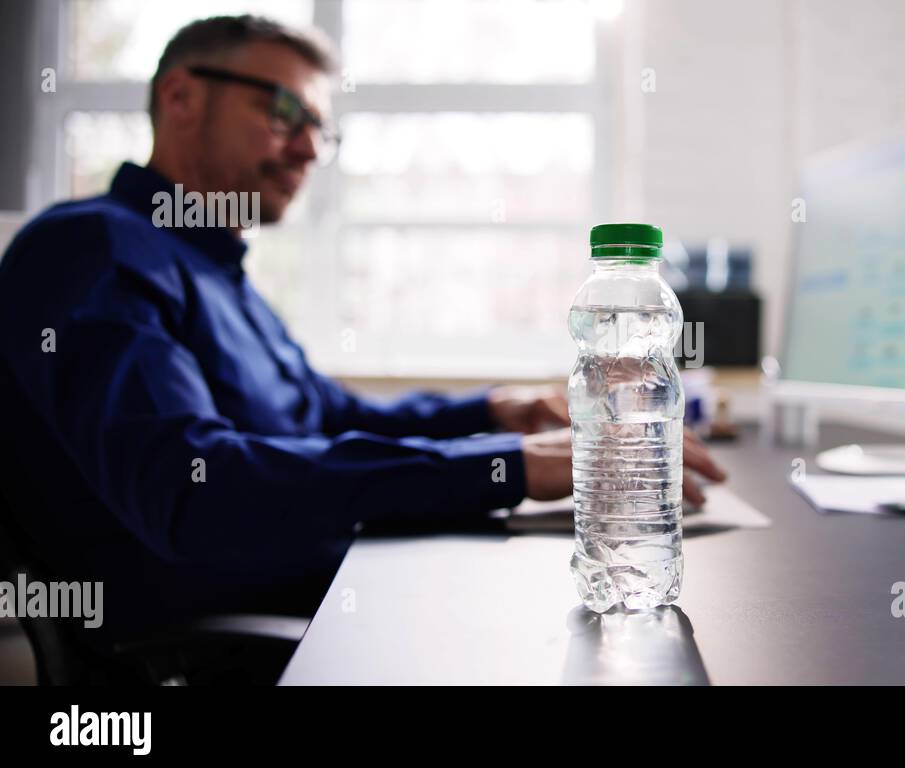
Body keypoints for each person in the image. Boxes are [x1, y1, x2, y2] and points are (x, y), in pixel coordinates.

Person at [0, 15, 725, 654]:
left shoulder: (215, 267)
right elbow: (192, 486)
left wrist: (496, 411)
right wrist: (501, 467)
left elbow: (334, 415)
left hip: (308, 585)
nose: (310, 149)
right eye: (286, 112)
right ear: (182, 97)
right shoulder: (93, 250)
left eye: (321, 128)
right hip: (197, 643)